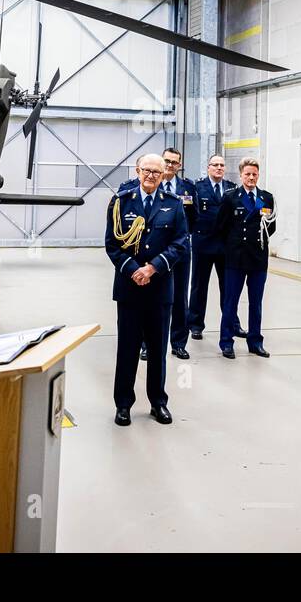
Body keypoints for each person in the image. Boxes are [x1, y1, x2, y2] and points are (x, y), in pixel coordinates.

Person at [105, 153, 188, 426]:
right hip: (129, 288)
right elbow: (112, 245)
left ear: (165, 173)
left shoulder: (174, 205)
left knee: (157, 349)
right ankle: (124, 404)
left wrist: (152, 268)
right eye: (146, 170)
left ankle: (158, 402)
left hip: (160, 288)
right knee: (127, 348)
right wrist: (133, 270)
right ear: (137, 171)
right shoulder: (120, 202)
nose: (151, 175)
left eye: (157, 171)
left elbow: (179, 244)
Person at [216, 157, 274, 359]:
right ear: (241, 175)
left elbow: (270, 227)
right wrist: (233, 246)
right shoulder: (231, 197)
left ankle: (255, 342)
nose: (251, 177)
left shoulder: (267, 198)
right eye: (247, 174)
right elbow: (221, 226)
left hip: (258, 258)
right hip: (236, 258)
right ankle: (226, 342)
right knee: (231, 302)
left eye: (254, 174)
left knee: (256, 302)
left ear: (258, 175)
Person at [186, 154, 235, 342]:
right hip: (203, 244)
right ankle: (196, 325)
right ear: (208, 168)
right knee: (199, 287)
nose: (219, 168)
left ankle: (231, 324)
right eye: (215, 165)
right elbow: (190, 214)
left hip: (225, 246)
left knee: (228, 288)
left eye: (222, 165)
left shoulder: (231, 188)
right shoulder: (198, 187)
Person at [159, 148, 197, 359]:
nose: (170, 165)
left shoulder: (187, 188)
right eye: (167, 161)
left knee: (180, 297)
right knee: (155, 298)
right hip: (157, 251)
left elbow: (195, 217)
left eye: (174, 162)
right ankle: (149, 343)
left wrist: (183, 240)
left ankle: (179, 343)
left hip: (181, 250)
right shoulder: (152, 184)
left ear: (179, 165)